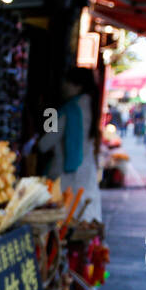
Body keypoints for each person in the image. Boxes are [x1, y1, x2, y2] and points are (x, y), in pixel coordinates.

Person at [38, 66, 103, 224]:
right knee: (87, 222)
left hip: (66, 178)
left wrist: (48, 111)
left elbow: (44, 143)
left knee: (66, 224)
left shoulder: (65, 110)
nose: (63, 86)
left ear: (77, 85)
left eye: (67, 82)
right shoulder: (91, 106)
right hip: (87, 175)